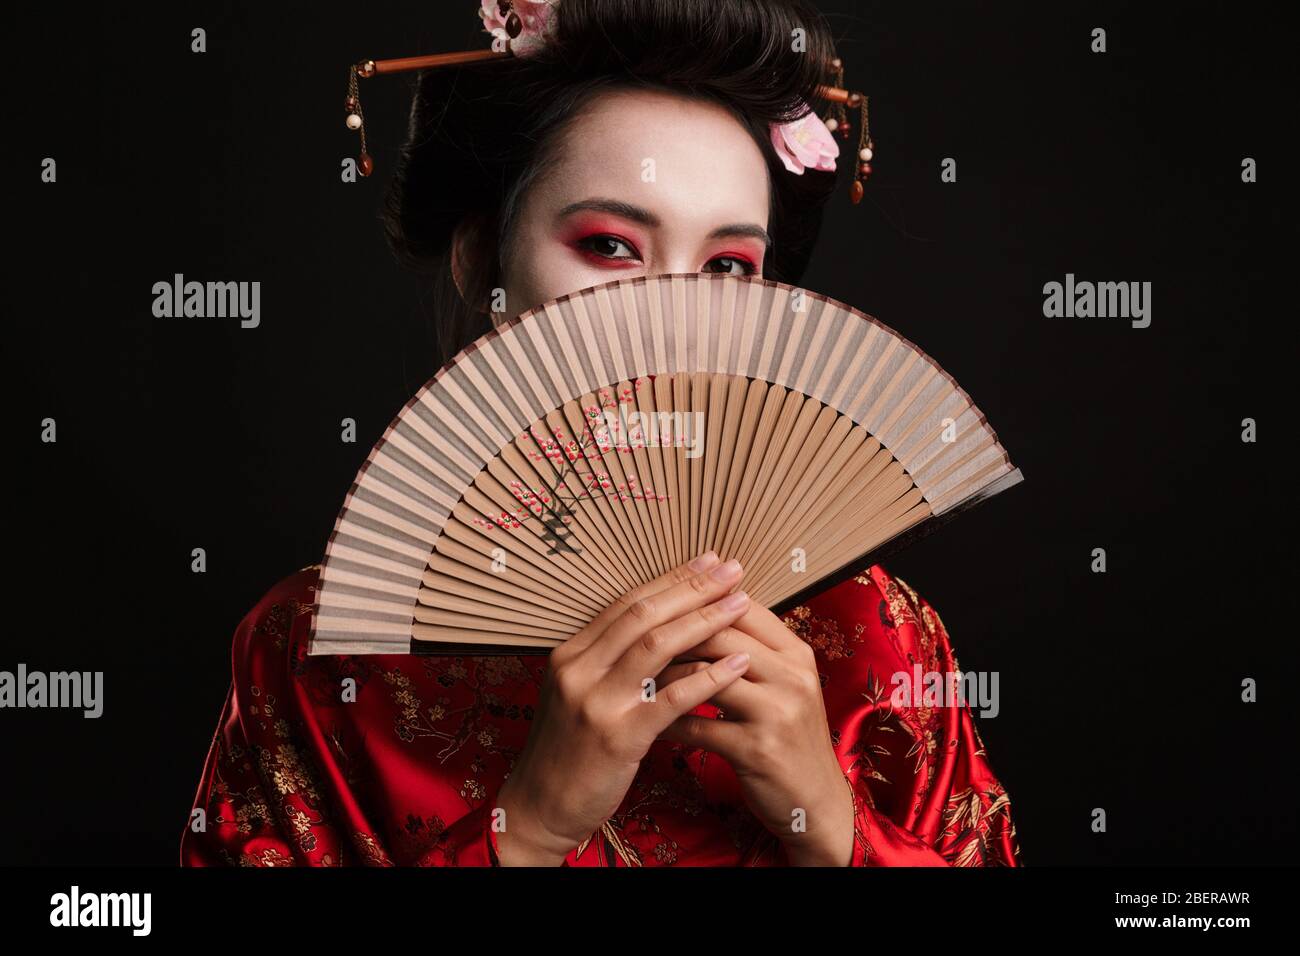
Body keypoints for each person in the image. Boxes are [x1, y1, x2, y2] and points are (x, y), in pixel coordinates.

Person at [180, 0, 1020, 867]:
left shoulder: (873, 634)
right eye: (612, 246)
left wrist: (834, 827)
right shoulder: (321, 655)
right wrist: (530, 828)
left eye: (728, 267)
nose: (673, 317)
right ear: (480, 260)